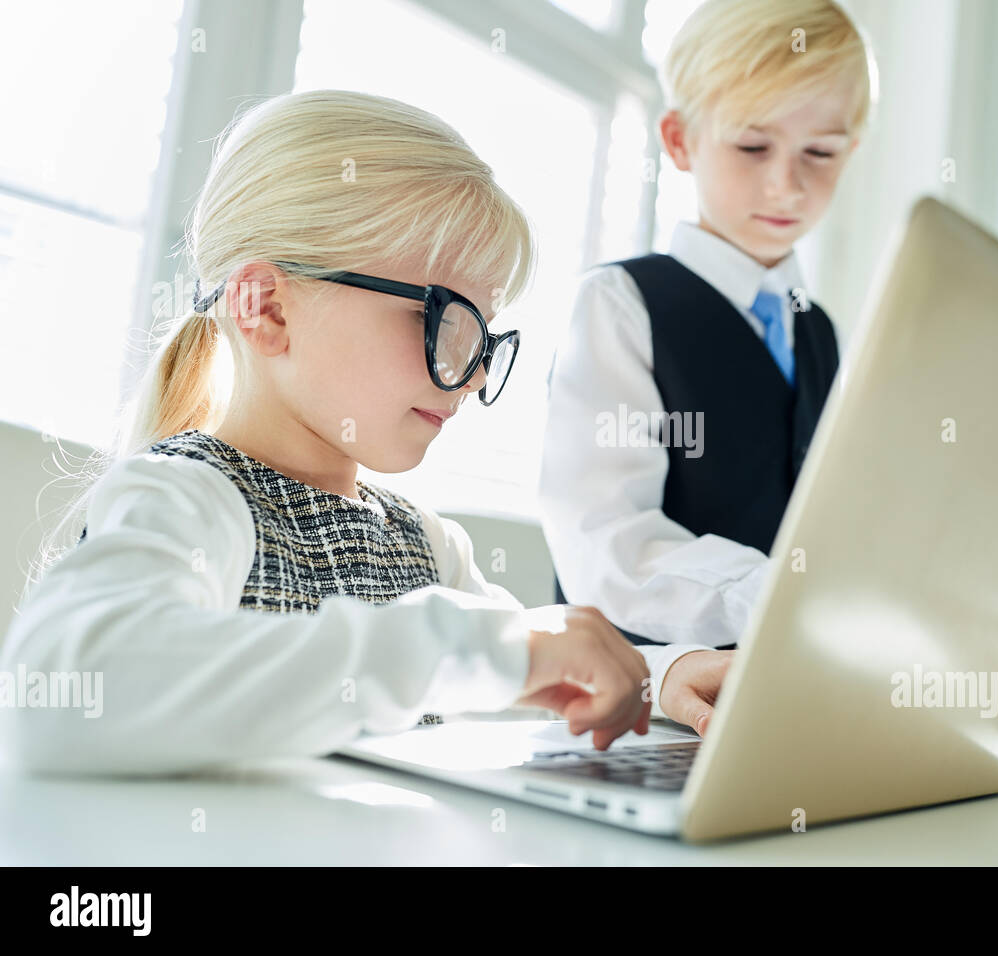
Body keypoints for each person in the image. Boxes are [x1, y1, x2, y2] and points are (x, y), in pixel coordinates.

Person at [0, 89, 710, 775]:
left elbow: (539, 668)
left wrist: (662, 674)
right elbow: (71, 683)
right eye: (444, 322)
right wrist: (472, 650)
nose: (467, 377)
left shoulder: (431, 545)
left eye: (482, 339)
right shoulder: (186, 497)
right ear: (268, 309)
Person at [539, 0, 876, 725]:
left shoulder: (819, 333)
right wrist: (784, 601)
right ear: (681, 140)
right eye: (753, 147)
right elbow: (607, 541)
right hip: (637, 702)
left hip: (771, 704)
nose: (786, 185)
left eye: (820, 152)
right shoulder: (622, 302)